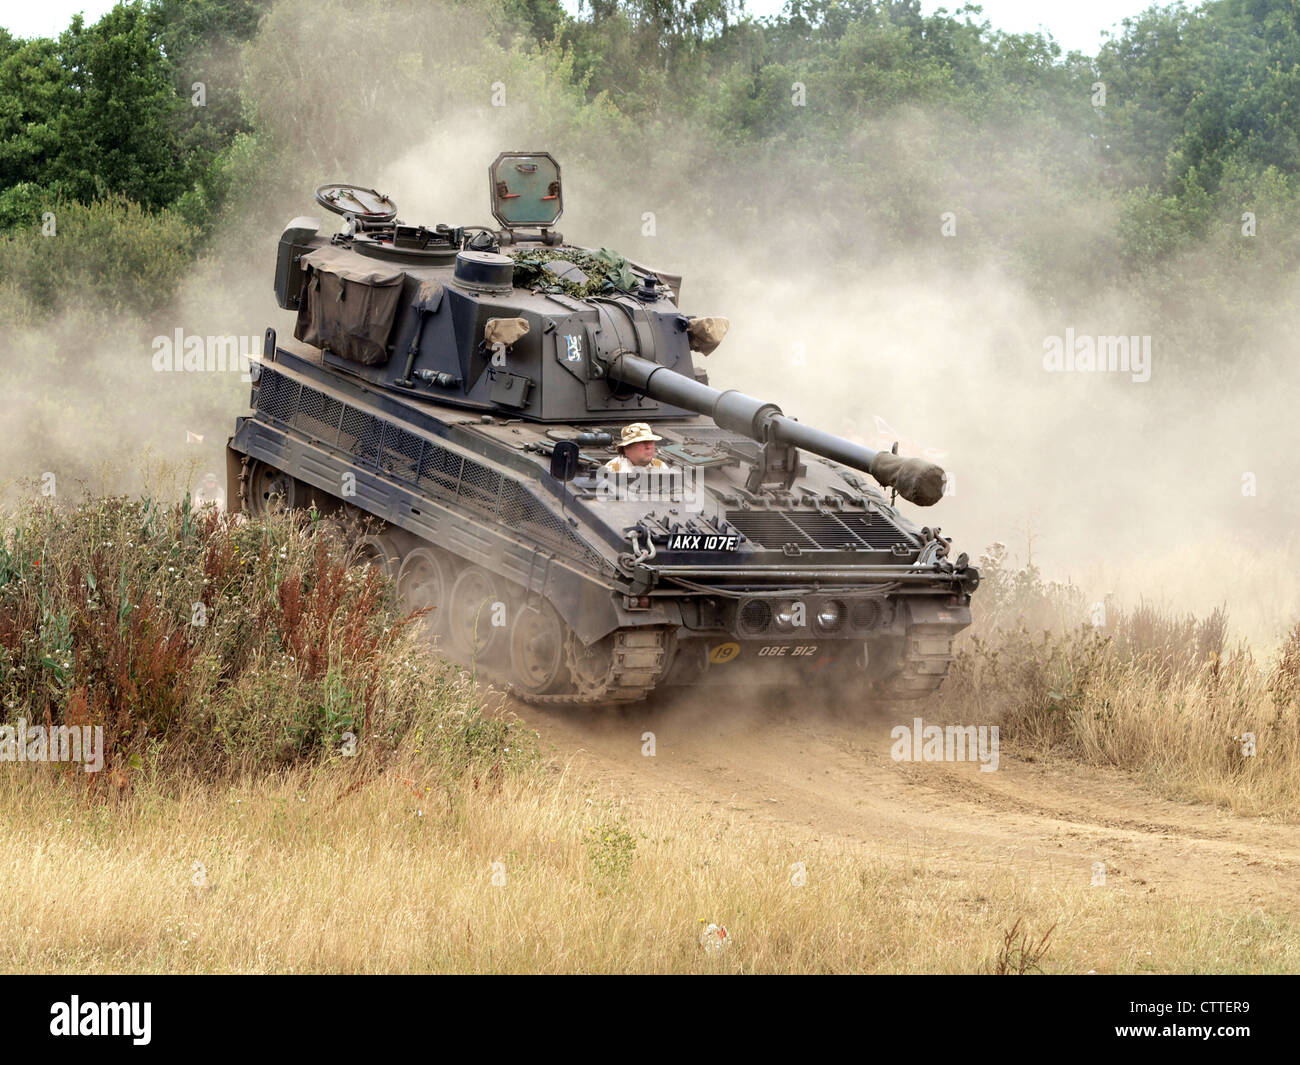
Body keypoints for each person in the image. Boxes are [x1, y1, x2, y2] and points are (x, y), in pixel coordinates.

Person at [603, 423, 669, 471]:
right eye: (643, 442)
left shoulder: (660, 466)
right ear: (627, 448)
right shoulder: (612, 470)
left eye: (650, 441)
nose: (648, 446)